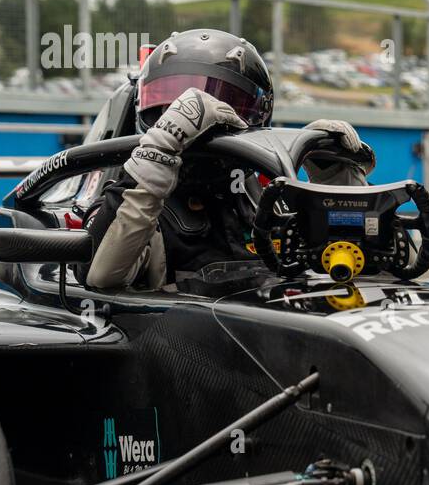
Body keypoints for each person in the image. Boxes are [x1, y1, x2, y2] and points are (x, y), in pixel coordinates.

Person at [84, 28, 374, 289]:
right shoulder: (138, 210)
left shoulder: (275, 197)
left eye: (226, 102)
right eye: (172, 104)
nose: (200, 123)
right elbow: (98, 275)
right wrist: (162, 143)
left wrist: (338, 186)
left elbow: (393, 269)